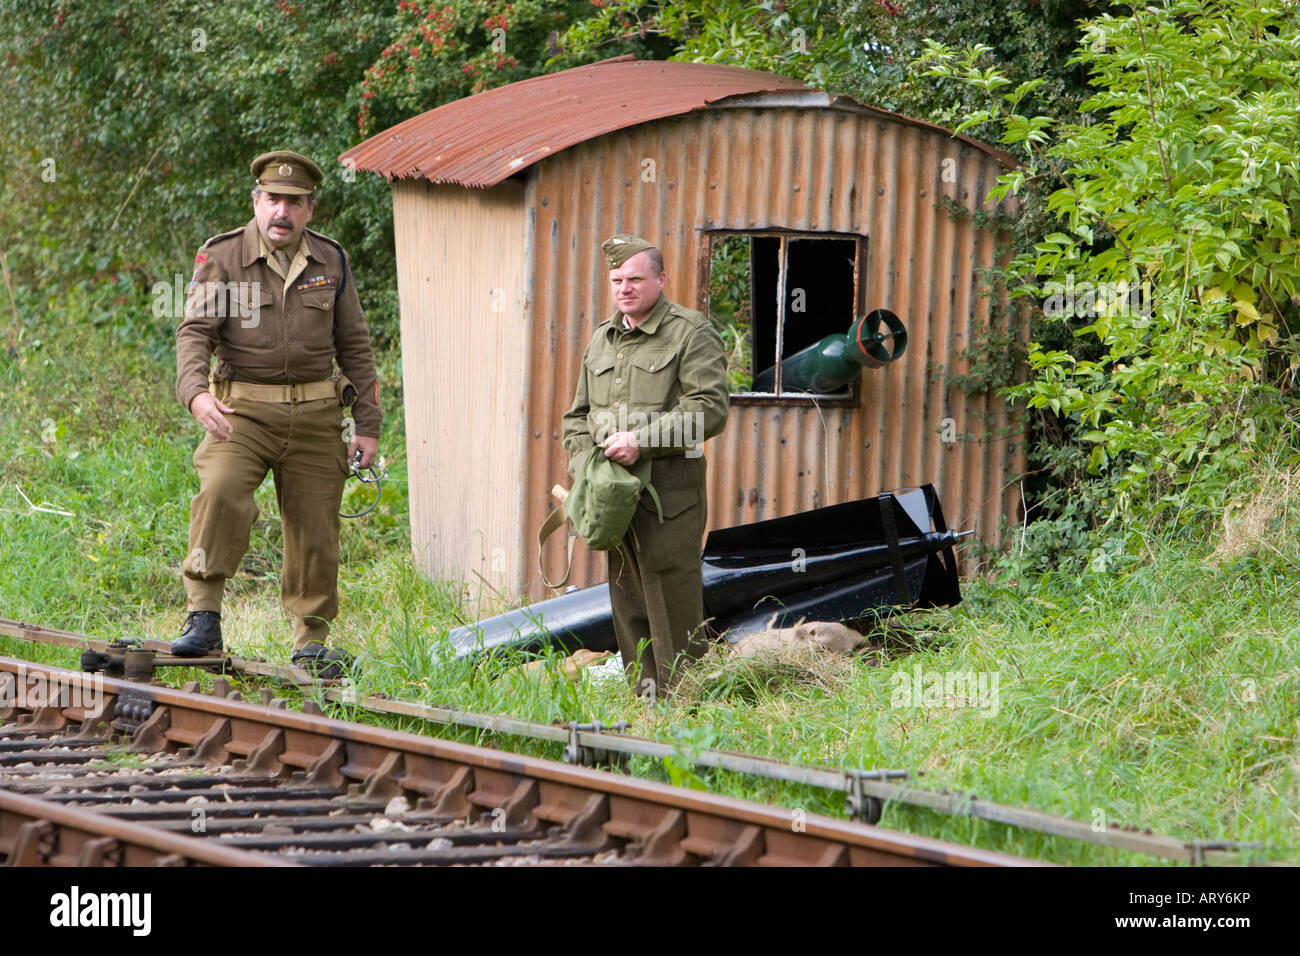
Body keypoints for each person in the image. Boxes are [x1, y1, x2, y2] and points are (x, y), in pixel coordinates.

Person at [172, 150, 382, 678]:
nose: (282, 212)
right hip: (239, 412)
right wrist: (197, 394)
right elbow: (194, 333)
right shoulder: (222, 257)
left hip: (316, 415)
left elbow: (355, 345)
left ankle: (311, 642)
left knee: (315, 528)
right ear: (256, 202)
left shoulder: (331, 261)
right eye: (273, 200)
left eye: (294, 202)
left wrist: (369, 425)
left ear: (311, 210)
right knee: (220, 492)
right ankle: (203, 618)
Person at [561, 235, 730, 697]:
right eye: (617, 280)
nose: (624, 288)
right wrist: (585, 468)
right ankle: (646, 702)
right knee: (629, 602)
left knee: (671, 602)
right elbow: (576, 417)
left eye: (635, 279)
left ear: (661, 279)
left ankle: (688, 707)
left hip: (668, 498)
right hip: (612, 499)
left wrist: (643, 442)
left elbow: (709, 410)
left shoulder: (691, 332)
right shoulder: (602, 338)